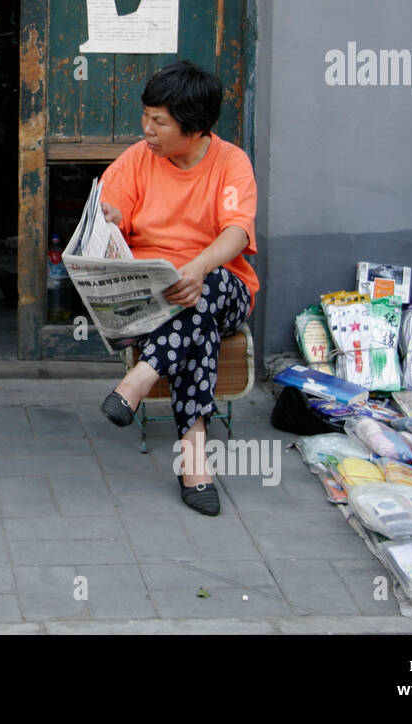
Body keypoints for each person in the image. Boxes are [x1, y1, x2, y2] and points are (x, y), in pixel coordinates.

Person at [96, 61, 260, 516]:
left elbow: (237, 232)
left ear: (194, 128)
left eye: (159, 121)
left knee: (201, 290)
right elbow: (111, 212)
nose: (146, 129)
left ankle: (139, 379)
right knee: (194, 320)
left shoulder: (231, 163)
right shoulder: (136, 159)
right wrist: (108, 223)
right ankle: (193, 459)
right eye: (146, 115)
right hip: (158, 296)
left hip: (223, 289)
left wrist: (199, 266)